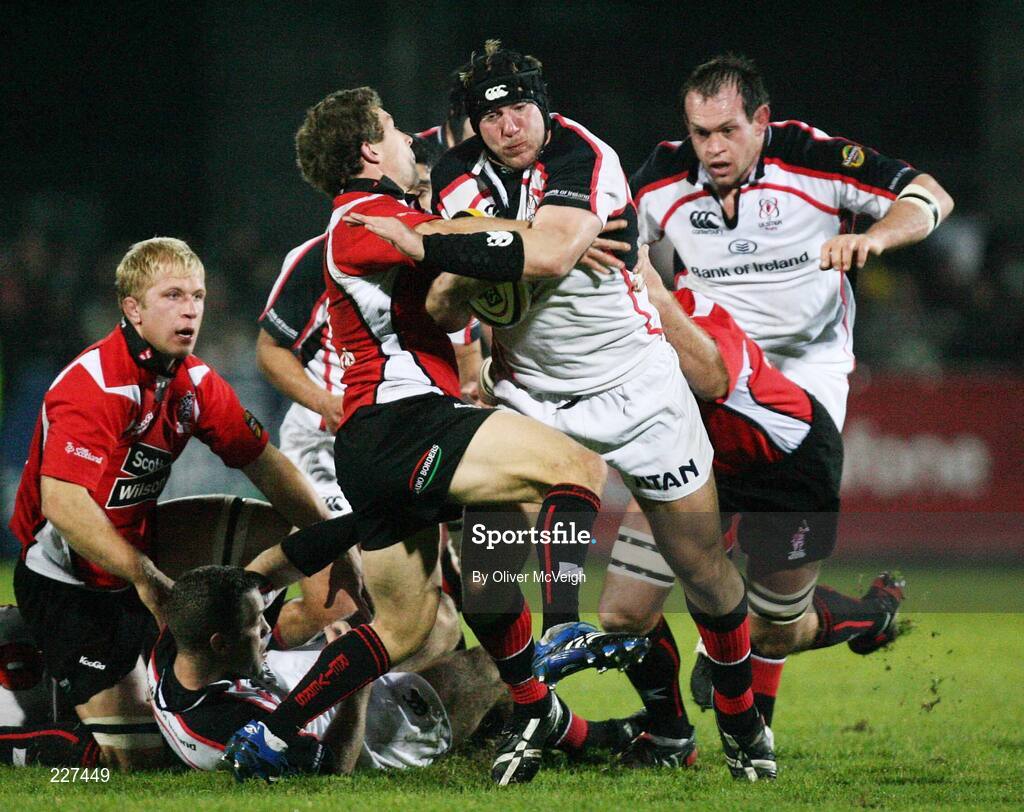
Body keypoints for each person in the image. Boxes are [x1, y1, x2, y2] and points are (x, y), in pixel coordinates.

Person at [361, 40, 775, 781]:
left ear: (542, 106)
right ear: (474, 123)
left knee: (701, 567)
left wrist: (451, 244)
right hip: (530, 395)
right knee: (488, 574)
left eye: (521, 108)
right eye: (492, 116)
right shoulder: (453, 174)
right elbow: (446, 305)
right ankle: (570, 715)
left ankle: (744, 723)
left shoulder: (585, 155)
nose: (510, 126)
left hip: (637, 387)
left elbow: (547, 256)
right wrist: (483, 254)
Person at [224, 85, 631, 786]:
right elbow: (462, 245)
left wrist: (516, 245)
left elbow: (456, 266)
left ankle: (270, 734)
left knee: (403, 626)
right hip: (403, 424)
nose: (410, 140)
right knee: (578, 470)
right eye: (392, 129)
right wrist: (554, 238)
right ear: (367, 151)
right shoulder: (367, 217)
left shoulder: (384, 215)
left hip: (380, 442)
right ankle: (563, 630)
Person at [6, 237, 339, 771]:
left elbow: (266, 464)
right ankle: (24, 698)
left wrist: (334, 542)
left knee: (300, 534)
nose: (190, 310)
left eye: (197, 296)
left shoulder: (193, 381)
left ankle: (252, 647)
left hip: (141, 551)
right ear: (133, 309)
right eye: (172, 296)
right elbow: (62, 506)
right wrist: (143, 575)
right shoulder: (95, 385)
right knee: (133, 760)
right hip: (67, 582)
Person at [587, 249, 906, 733]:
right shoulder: (589, 336)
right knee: (623, 612)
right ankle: (670, 738)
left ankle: (871, 615)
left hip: (786, 468)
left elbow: (712, 379)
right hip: (689, 468)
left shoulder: (695, 312)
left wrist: (650, 291)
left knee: (770, 633)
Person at [631, 53, 954, 431]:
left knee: (803, 464)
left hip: (807, 362)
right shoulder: (664, 174)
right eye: (701, 133)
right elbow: (606, 233)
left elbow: (932, 195)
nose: (714, 147)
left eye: (728, 131)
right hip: (708, 352)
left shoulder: (812, 157)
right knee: (670, 457)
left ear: (760, 119)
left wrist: (873, 239)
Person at [149, 565, 508, 777]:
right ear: (220, 644)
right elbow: (333, 769)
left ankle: (485, 720)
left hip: (310, 678)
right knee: (495, 662)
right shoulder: (230, 731)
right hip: (369, 727)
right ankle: (508, 726)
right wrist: (357, 679)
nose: (266, 629)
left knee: (439, 615)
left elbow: (276, 563)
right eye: (254, 624)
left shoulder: (176, 647)